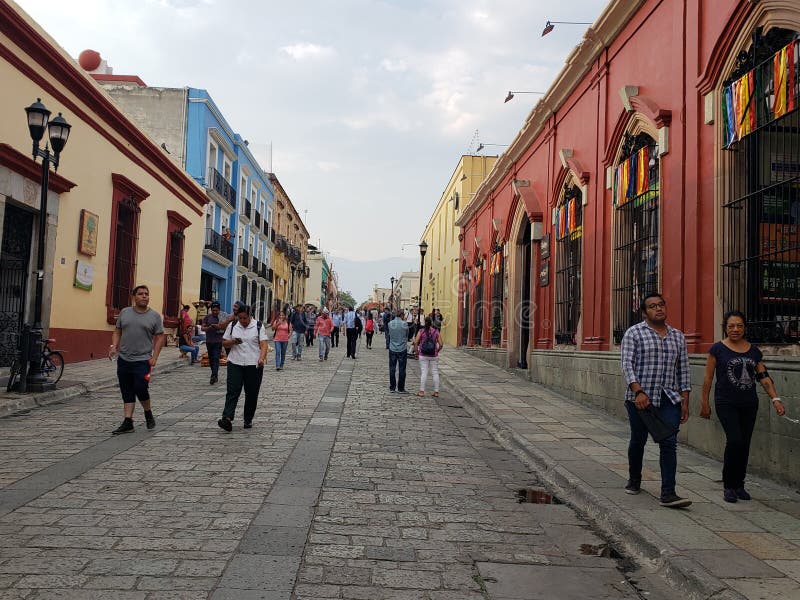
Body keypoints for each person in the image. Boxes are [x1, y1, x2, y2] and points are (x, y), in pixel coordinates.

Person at [700, 310, 786, 503]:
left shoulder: (753, 351)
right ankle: (729, 485)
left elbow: (763, 377)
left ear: (745, 327)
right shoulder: (717, 349)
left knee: (744, 444)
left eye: (739, 325)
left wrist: (776, 399)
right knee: (735, 441)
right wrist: (705, 403)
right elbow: (707, 378)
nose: (735, 329)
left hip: (748, 404)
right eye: (731, 326)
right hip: (725, 402)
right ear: (725, 328)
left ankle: (739, 484)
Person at [621, 292, 692, 508]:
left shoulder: (677, 336)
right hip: (640, 399)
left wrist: (685, 400)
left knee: (669, 442)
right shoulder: (634, 333)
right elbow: (627, 364)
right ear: (644, 312)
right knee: (638, 440)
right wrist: (638, 391)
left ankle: (668, 493)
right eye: (652, 306)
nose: (658, 309)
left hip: (669, 397)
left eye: (661, 304)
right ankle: (634, 479)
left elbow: (684, 369)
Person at [108, 285, 164, 434]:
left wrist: (155, 357)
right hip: (124, 359)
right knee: (126, 390)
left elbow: (159, 338)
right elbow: (117, 331)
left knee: (140, 388)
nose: (144, 296)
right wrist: (114, 346)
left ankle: (148, 412)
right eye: (141, 294)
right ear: (134, 297)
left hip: (143, 360)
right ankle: (128, 421)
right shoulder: (125, 313)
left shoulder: (155, 316)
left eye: (146, 294)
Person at [218, 305, 268, 432]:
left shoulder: (258, 326)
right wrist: (234, 341)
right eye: (240, 318)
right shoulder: (233, 325)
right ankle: (227, 418)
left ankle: (248, 419)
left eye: (245, 318)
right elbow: (224, 342)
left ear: (250, 316)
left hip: (254, 364)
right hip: (235, 362)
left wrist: (262, 358)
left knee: (251, 393)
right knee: (232, 390)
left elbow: (263, 344)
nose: (243, 321)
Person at [414, 316, 443, 397]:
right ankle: (436, 391)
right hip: (434, 355)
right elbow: (441, 344)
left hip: (423, 355)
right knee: (435, 372)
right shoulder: (436, 331)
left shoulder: (421, 331)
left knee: (424, 372)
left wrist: (417, 352)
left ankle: (421, 391)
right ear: (432, 323)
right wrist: (437, 351)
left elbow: (416, 342)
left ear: (424, 322)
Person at [387, 309, 409, 393]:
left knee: (392, 368)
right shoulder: (405, 324)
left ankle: (392, 387)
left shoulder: (390, 324)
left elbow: (389, 335)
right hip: (402, 348)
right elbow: (407, 335)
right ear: (402, 315)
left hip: (392, 347)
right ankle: (401, 388)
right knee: (402, 369)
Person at [202, 302, 225, 384]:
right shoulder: (207, 317)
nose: (215, 312)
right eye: (213, 310)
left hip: (218, 341)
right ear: (211, 310)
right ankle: (214, 373)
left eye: (217, 310)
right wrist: (210, 327)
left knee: (216, 358)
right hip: (209, 341)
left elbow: (225, 327)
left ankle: (214, 375)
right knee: (211, 359)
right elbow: (202, 328)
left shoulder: (222, 317)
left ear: (219, 310)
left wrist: (219, 327)